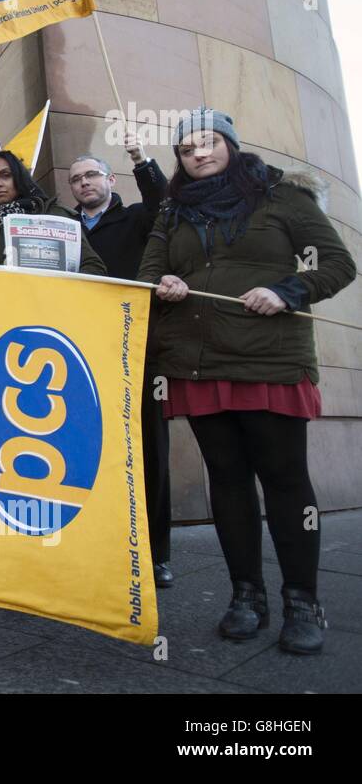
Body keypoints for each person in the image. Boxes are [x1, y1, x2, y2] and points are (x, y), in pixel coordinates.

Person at [138, 108, 356, 655]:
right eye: (187, 149)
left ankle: (302, 601)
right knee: (228, 482)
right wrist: (163, 281)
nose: (199, 154)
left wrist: (288, 291)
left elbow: (336, 263)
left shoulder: (281, 196)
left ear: (230, 144)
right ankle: (245, 596)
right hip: (198, 364)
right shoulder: (172, 210)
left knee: (284, 482)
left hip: (268, 363)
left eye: (208, 143)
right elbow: (146, 271)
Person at [69, 137, 175, 587]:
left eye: (91, 175)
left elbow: (165, 204)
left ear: (111, 180)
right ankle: (98, 546)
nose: (83, 183)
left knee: (147, 448)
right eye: (75, 179)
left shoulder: (136, 217)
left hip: (135, 347)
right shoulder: (63, 225)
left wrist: (141, 161)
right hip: (80, 347)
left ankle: (154, 554)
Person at [0, 150, 106, 347]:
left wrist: (57, 287)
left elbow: (93, 266)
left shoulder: (54, 214)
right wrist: (6, 284)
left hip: (51, 327)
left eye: (6, 175)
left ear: (19, 177)